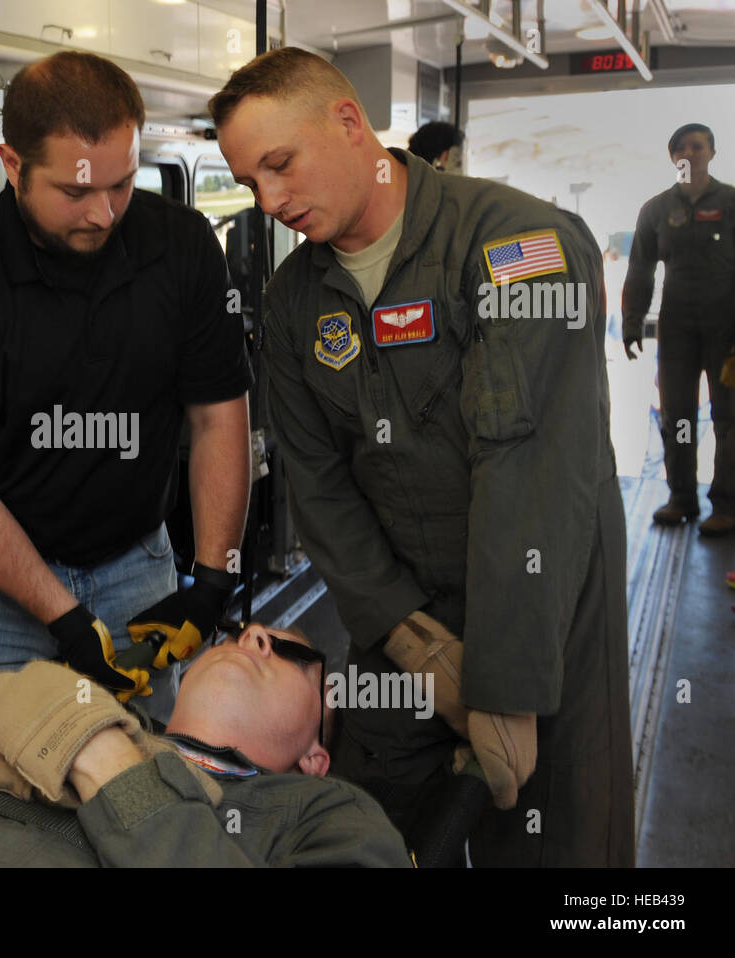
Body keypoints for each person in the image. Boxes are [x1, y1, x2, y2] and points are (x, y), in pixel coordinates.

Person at [208, 48, 634, 866]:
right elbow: (320, 486)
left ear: (347, 121)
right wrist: (419, 648)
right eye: (250, 181)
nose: (269, 200)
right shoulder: (297, 301)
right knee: (375, 835)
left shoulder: (518, 246)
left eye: (280, 166)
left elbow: (530, 475)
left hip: (545, 616)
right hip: (399, 616)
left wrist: (503, 689)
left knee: (556, 844)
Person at [0, 52, 252, 720]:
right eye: (76, 193)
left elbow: (217, 415)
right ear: (13, 164)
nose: (104, 214)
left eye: (121, 185)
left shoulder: (184, 247)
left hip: (136, 559)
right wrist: (68, 621)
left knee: (143, 776)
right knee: (4, 790)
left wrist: (214, 576)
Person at [0, 624, 412, 867]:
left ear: (315, 759)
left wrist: (106, 763)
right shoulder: (37, 723)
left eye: (295, 653)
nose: (256, 639)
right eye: (239, 633)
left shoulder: (324, 813)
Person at [622, 123, 735, 534]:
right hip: (677, 331)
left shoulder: (731, 202)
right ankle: (681, 497)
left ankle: (726, 504)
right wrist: (632, 321)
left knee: (729, 419)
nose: (691, 152)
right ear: (673, 157)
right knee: (679, 416)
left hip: (727, 330)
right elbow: (639, 269)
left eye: (698, 145)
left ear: (711, 152)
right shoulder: (655, 210)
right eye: (682, 147)